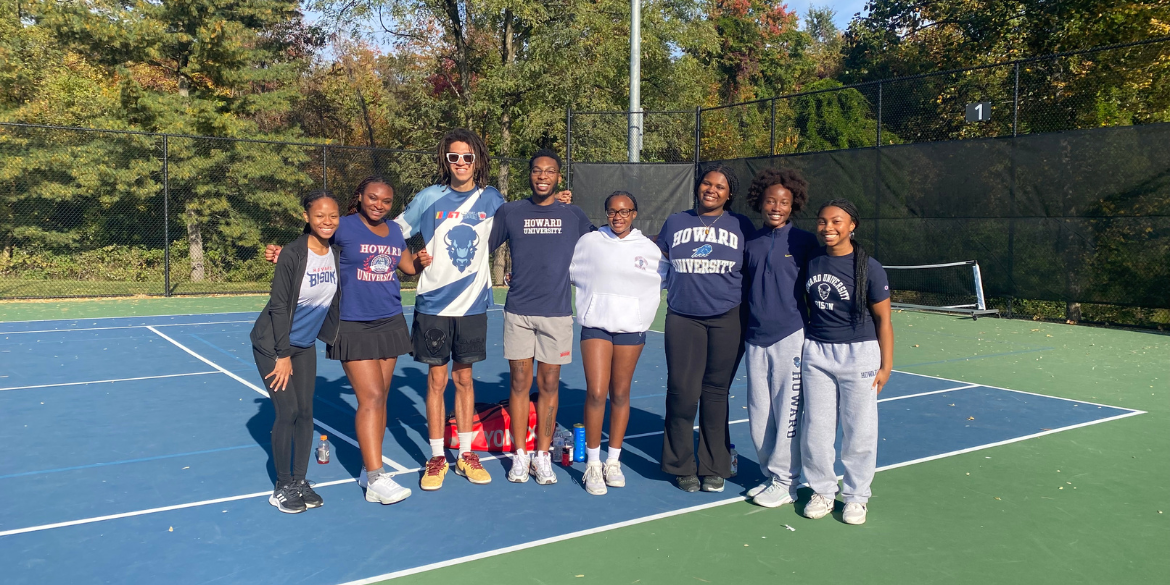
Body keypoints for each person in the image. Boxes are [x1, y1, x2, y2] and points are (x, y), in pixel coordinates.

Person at [264, 176, 430, 506]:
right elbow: (313, 245)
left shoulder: (395, 231)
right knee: (369, 397)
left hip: (390, 320)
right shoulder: (344, 226)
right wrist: (284, 253)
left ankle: (372, 467)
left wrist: (421, 262)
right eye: (372, 198)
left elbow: (406, 266)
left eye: (385, 200)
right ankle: (376, 478)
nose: (378, 204)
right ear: (360, 197)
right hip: (352, 323)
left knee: (381, 397)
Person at [393, 129, 505, 491]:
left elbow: (520, 228)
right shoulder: (429, 197)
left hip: (473, 306)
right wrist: (411, 259)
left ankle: (467, 454)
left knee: (465, 379)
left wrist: (559, 204)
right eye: (454, 157)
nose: (460, 163)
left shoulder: (492, 199)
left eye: (467, 157)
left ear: (478, 161)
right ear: (446, 159)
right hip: (433, 305)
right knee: (437, 380)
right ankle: (438, 456)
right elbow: (393, 233)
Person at [488, 149, 594, 486]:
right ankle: (520, 455)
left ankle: (542, 455)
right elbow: (481, 247)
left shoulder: (574, 215)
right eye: (537, 171)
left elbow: (602, 247)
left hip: (557, 315)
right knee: (519, 384)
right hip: (518, 312)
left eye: (550, 171)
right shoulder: (510, 212)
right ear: (530, 175)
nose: (543, 176)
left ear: (559, 178)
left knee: (548, 385)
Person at [656, 164, 756, 493]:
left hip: (728, 317)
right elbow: (655, 263)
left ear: (730, 195)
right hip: (683, 317)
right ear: (698, 187)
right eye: (706, 183)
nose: (711, 190)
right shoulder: (676, 221)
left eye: (720, 187)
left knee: (715, 394)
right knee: (682, 393)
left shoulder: (741, 225)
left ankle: (715, 464)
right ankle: (680, 464)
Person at [800, 198, 894, 526]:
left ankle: (856, 497)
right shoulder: (811, 261)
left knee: (859, 429)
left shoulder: (870, 267)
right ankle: (823, 490)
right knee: (817, 427)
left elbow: (884, 320)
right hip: (817, 353)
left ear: (852, 226)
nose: (828, 228)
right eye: (823, 221)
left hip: (860, 354)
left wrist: (886, 365)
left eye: (837, 222)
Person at [569, 191, 667, 495]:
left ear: (634, 214)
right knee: (597, 393)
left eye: (625, 211)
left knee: (620, 393)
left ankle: (614, 461)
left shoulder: (649, 249)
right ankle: (593, 465)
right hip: (596, 325)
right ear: (606, 213)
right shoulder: (589, 242)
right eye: (612, 211)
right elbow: (569, 271)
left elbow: (667, 279)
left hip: (630, 330)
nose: (618, 217)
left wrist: (641, 314)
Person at [251, 190, 341, 513]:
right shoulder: (292, 254)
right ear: (306, 217)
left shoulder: (337, 252)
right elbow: (277, 305)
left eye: (333, 215)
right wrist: (282, 353)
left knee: (306, 412)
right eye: (319, 215)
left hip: (304, 345)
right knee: (287, 411)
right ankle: (282, 485)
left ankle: (301, 481)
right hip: (273, 344)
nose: (327, 221)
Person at [741, 169, 818, 508]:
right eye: (771, 200)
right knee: (759, 413)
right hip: (755, 338)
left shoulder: (803, 242)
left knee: (787, 410)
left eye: (784, 202)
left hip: (791, 336)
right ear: (761, 201)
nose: (776, 206)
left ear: (793, 205)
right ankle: (770, 475)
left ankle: (787, 481)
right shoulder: (751, 241)